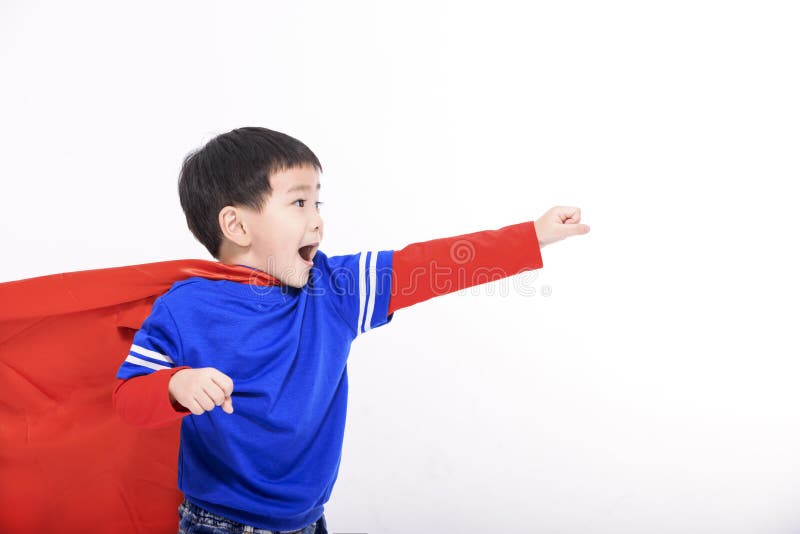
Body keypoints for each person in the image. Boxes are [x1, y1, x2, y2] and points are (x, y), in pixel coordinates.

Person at [112, 126, 590, 533]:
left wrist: (532, 235)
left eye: (317, 202)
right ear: (236, 225)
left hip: (308, 519)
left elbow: (427, 264)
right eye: (299, 202)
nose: (318, 220)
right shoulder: (184, 309)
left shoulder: (334, 289)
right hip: (217, 522)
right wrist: (176, 384)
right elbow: (129, 398)